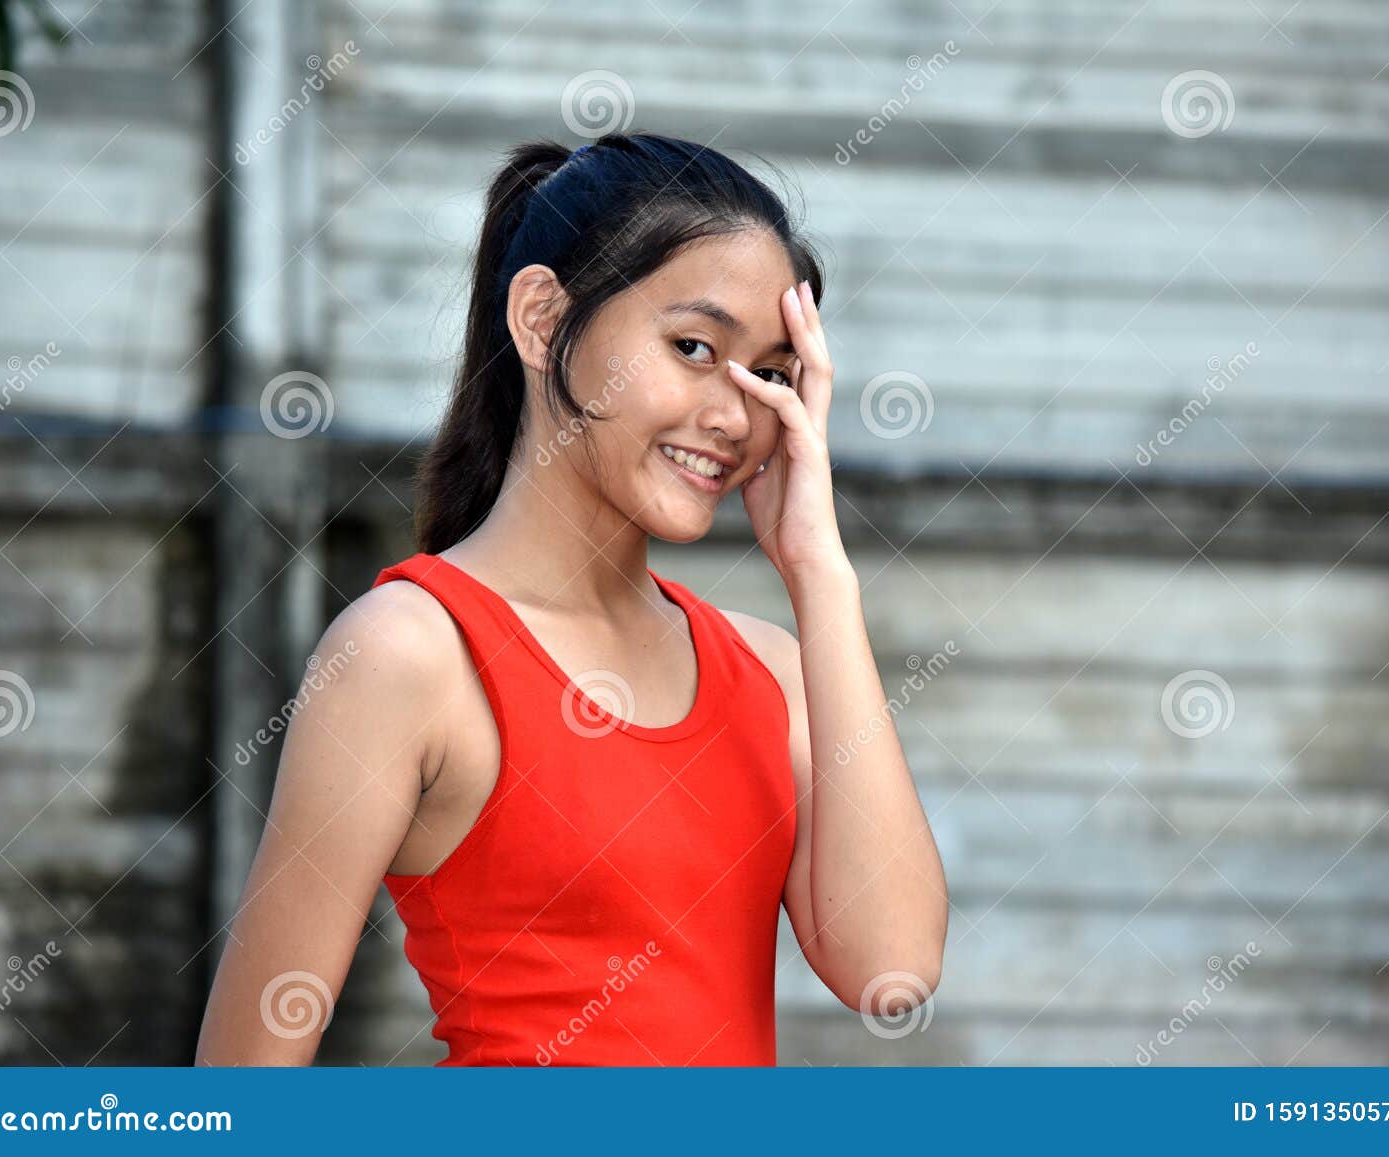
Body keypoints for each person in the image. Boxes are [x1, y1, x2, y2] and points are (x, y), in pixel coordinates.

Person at [195, 131, 947, 1066]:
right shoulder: (410, 652)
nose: (735, 412)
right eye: (694, 347)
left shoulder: (776, 671)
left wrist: (820, 572)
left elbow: (894, 969)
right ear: (545, 319)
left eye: (772, 374)